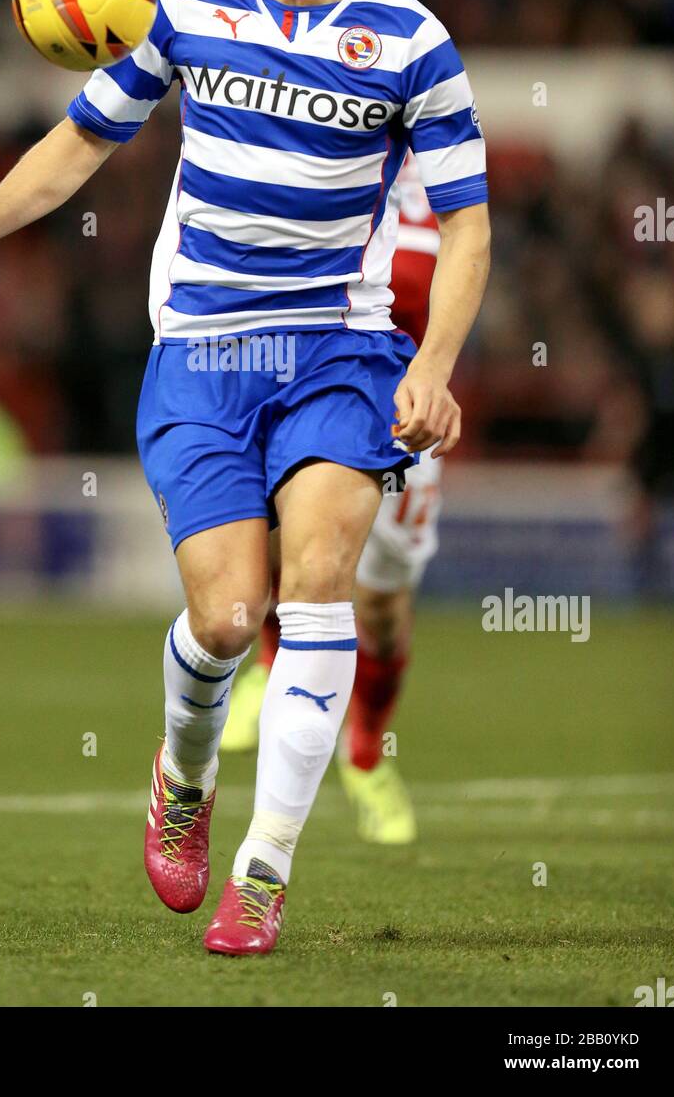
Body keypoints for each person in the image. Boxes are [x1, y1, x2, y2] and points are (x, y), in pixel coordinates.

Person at [0, 0, 491, 956]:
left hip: (338, 347)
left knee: (319, 578)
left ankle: (264, 872)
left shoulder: (413, 42)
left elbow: (469, 223)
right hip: (205, 353)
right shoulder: (190, 9)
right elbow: (81, 140)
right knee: (228, 621)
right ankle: (182, 776)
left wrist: (431, 364)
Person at [222, 155, 443, 847]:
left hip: (400, 406)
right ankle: (266, 661)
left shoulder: (447, 169)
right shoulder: (315, 138)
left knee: (378, 608)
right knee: (281, 551)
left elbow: (454, 278)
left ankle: (367, 753)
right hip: (308, 390)